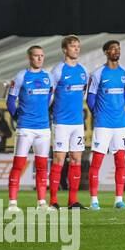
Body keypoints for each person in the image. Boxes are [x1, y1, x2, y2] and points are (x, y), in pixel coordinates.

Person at [87, 40, 125, 211]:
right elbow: (90, 98)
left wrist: (123, 102)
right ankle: (94, 201)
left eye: (118, 48)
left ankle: (119, 200)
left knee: (120, 161)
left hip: (120, 124)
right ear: (106, 52)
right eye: (113, 49)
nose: (116, 51)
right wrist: (97, 113)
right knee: (96, 162)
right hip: (103, 124)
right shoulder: (98, 73)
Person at [5, 45, 53, 208]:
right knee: (19, 164)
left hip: (44, 129)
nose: (40, 58)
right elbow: (10, 101)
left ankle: (41, 202)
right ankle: (12, 203)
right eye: (36, 56)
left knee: (41, 166)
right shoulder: (20, 77)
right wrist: (19, 117)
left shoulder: (49, 77)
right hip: (25, 128)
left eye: (42, 55)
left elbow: (49, 97)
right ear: (29, 58)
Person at [48, 34, 89, 209]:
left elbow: (84, 93)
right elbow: (49, 96)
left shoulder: (83, 71)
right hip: (61, 123)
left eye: (78, 46)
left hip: (77, 123)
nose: (76, 49)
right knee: (58, 159)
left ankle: (73, 200)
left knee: (76, 159)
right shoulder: (57, 71)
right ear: (65, 49)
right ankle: (53, 201)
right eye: (73, 46)